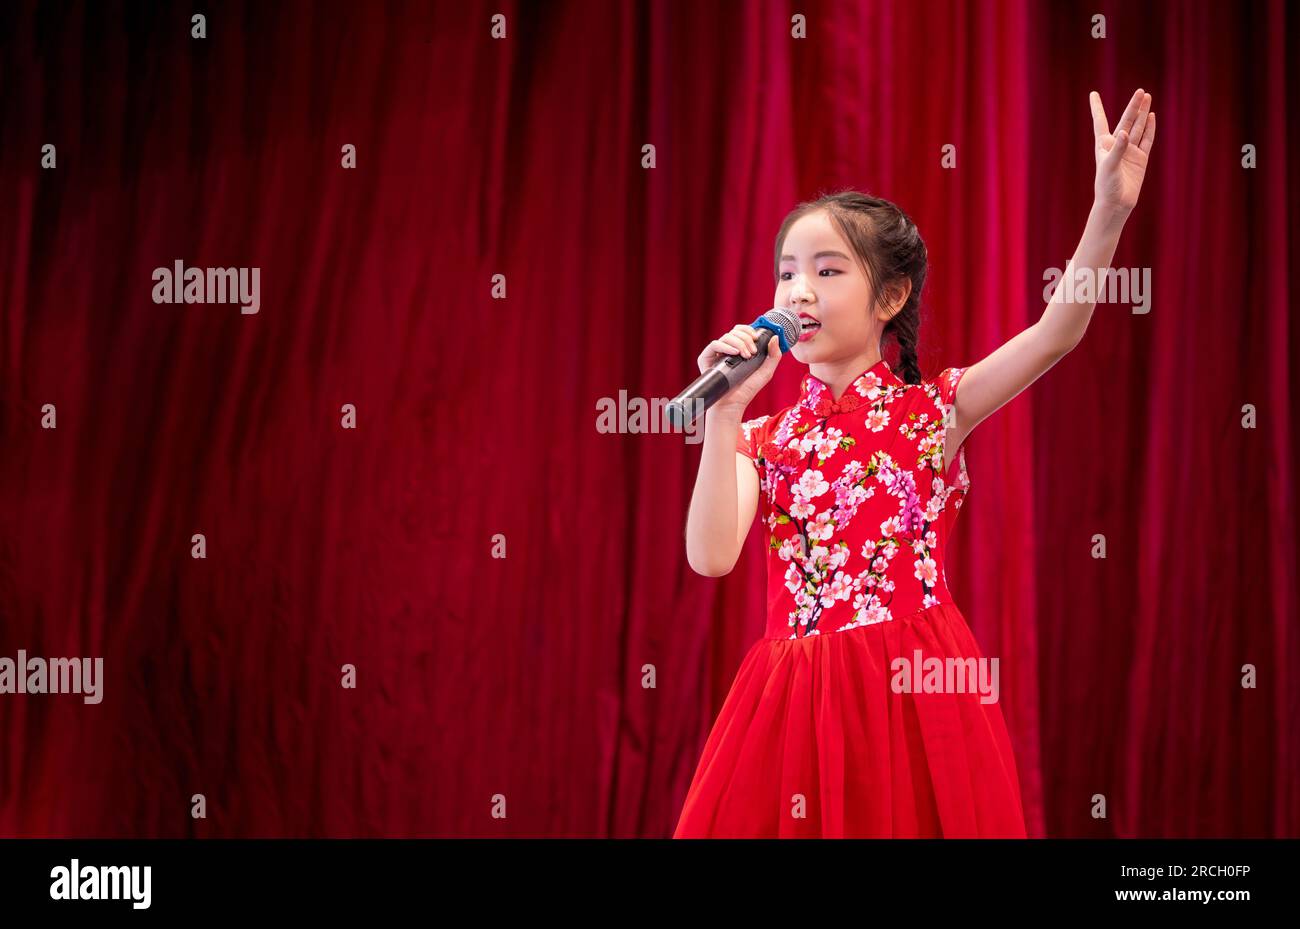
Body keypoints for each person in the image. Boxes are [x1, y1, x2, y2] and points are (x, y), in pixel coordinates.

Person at [674, 90, 1156, 838]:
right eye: (787, 271)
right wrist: (726, 413)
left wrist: (1109, 213)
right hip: (791, 701)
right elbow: (709, 557)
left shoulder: (934, 410)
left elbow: (1057, 330)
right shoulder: (761, 436)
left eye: (828, 271)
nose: (799, 289)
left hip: (910, 687)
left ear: (888, 296)